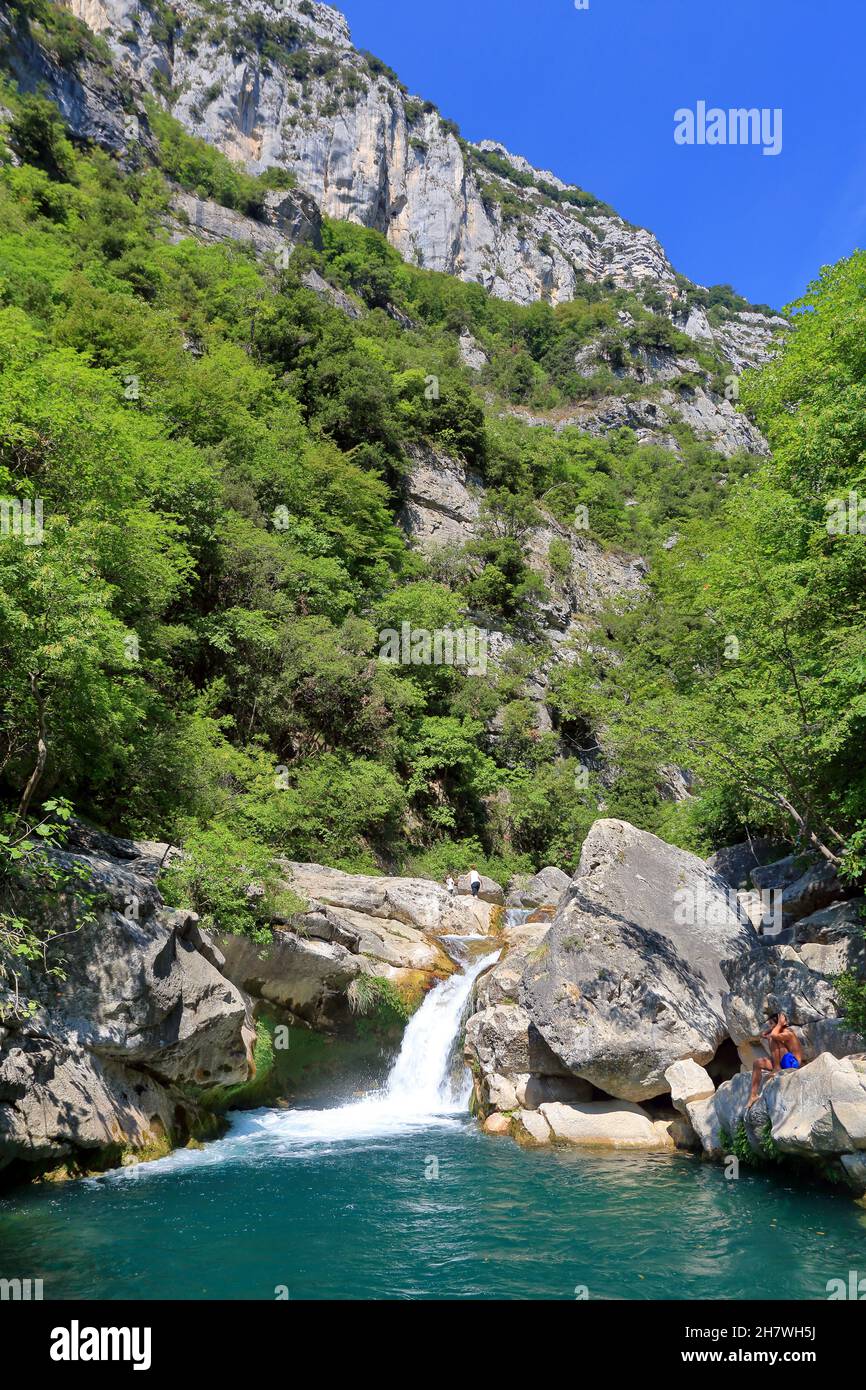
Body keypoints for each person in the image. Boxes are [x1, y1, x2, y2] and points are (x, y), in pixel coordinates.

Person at [746, 1012, 803, 1109]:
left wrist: (780, 1024)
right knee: (757, 1063)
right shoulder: (778, 1032)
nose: (771, 1027)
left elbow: (773, 1035)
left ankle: (777, 1068)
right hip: (784, 1062)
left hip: (793, 1063)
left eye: (772, 1024)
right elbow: (765, 1034)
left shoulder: (788, 1033)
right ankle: (753, 1095)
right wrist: (772, 1029)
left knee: (772, 1038)